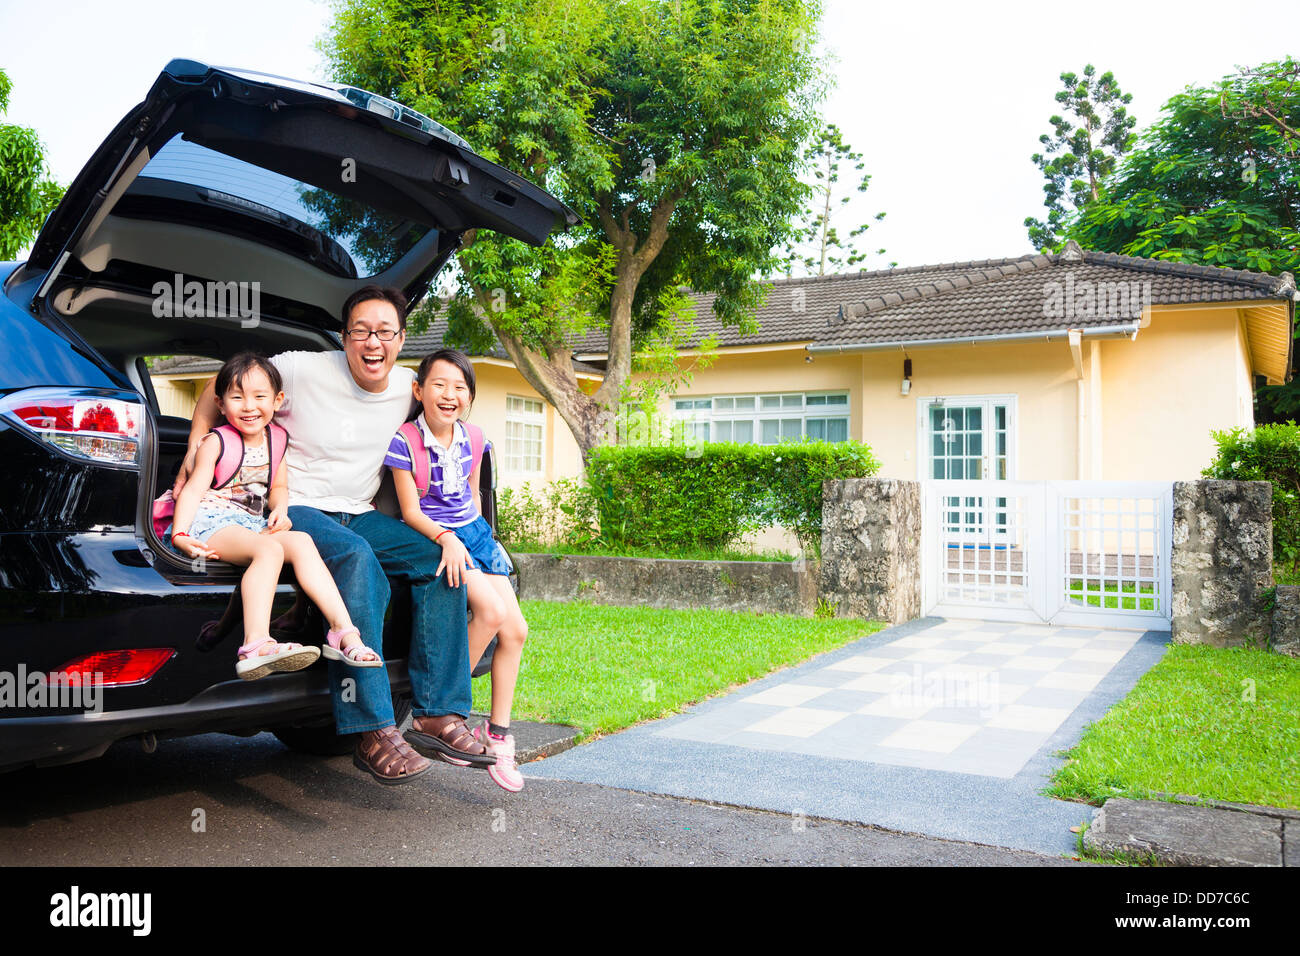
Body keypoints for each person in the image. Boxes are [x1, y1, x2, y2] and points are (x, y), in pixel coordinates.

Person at [175, 286, 495, 785]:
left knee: (437, 559)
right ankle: (371, 730)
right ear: (344, 337)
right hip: (294, 507)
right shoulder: (302, 369)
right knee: (357, 558)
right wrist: (194, 460)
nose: (373, 342)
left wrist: (457, 526)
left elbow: (444, 433)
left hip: (358, 510)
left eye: (385, 332)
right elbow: (217, 393)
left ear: (401, 338)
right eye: (361, 331)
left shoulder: (411, 388)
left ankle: (438, 714)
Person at [169, 352, 380, 680]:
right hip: (212, 520)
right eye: (237, 397)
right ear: (221, 404)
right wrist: (180, 534)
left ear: (278, 400)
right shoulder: (216, 442)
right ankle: (254, 645)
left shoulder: (277, 440)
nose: (249, 406)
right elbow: (193, 490)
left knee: (301, 541)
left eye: (259, 396)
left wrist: (280, 510)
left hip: (250, 521)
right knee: (269, 549)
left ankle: (343, 632)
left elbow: (278, 486)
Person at [385, 349, 529, 792]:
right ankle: (439, 711)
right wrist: (447, 540)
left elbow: (473, 494)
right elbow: (410, 512)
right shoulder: (405, 441)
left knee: (516, 631)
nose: (450, 395)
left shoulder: (476, 438)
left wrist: (484, 537)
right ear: (419, 390)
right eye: (439, 385)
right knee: (490, 612)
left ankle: (497, 733)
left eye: (460, 387)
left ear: (469, 396)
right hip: (436, 537)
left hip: (476, 537)